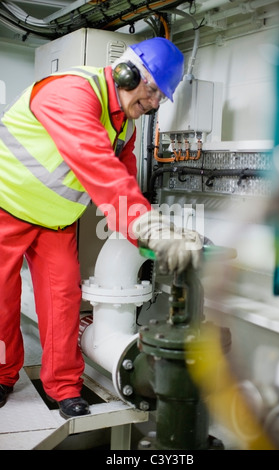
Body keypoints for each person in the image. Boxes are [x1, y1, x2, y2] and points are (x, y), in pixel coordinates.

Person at [0, 37, 203, 419]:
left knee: (62, 303)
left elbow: (122, 196)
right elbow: (98, 167)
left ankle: (63, 387)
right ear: (128, 73)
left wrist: (152, 237)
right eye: (153, 90)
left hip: (55, 223)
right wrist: (152, 227)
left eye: (162, 97)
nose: (155, 104)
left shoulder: (125, 128)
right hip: (5, 208)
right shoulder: (70, 93)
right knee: (0, 302)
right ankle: (1, 375)